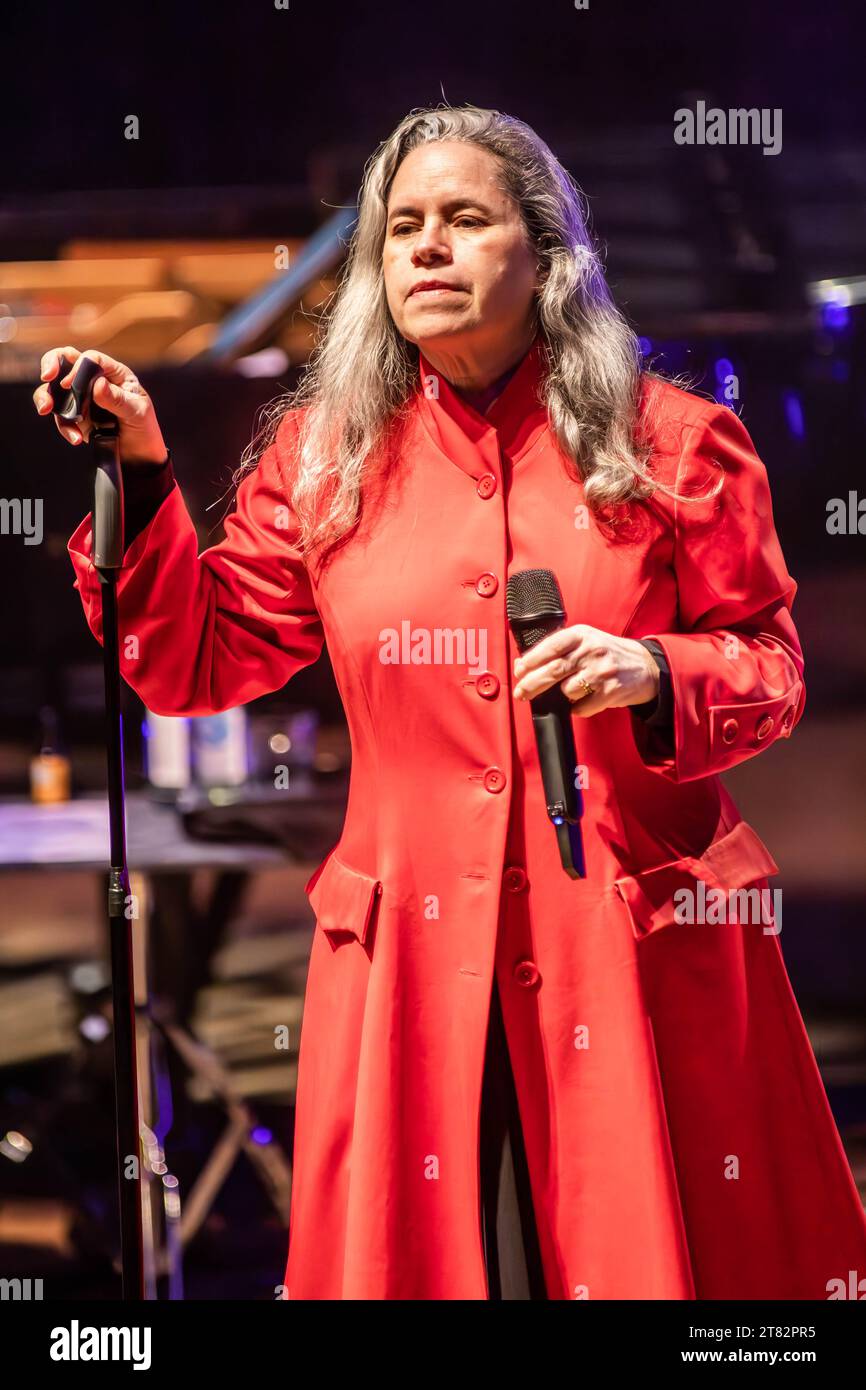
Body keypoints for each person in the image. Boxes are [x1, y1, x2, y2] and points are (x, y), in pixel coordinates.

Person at [35, 103, 866, 1301]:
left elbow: (770, 669)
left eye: (464, 220)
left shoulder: (675, 445)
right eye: (401, 227)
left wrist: (655, 671)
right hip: (412, 969)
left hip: (626, 960)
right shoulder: (326, 462)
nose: (425, 247)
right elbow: (191, 664)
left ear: (544, 256)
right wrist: (148, 465)